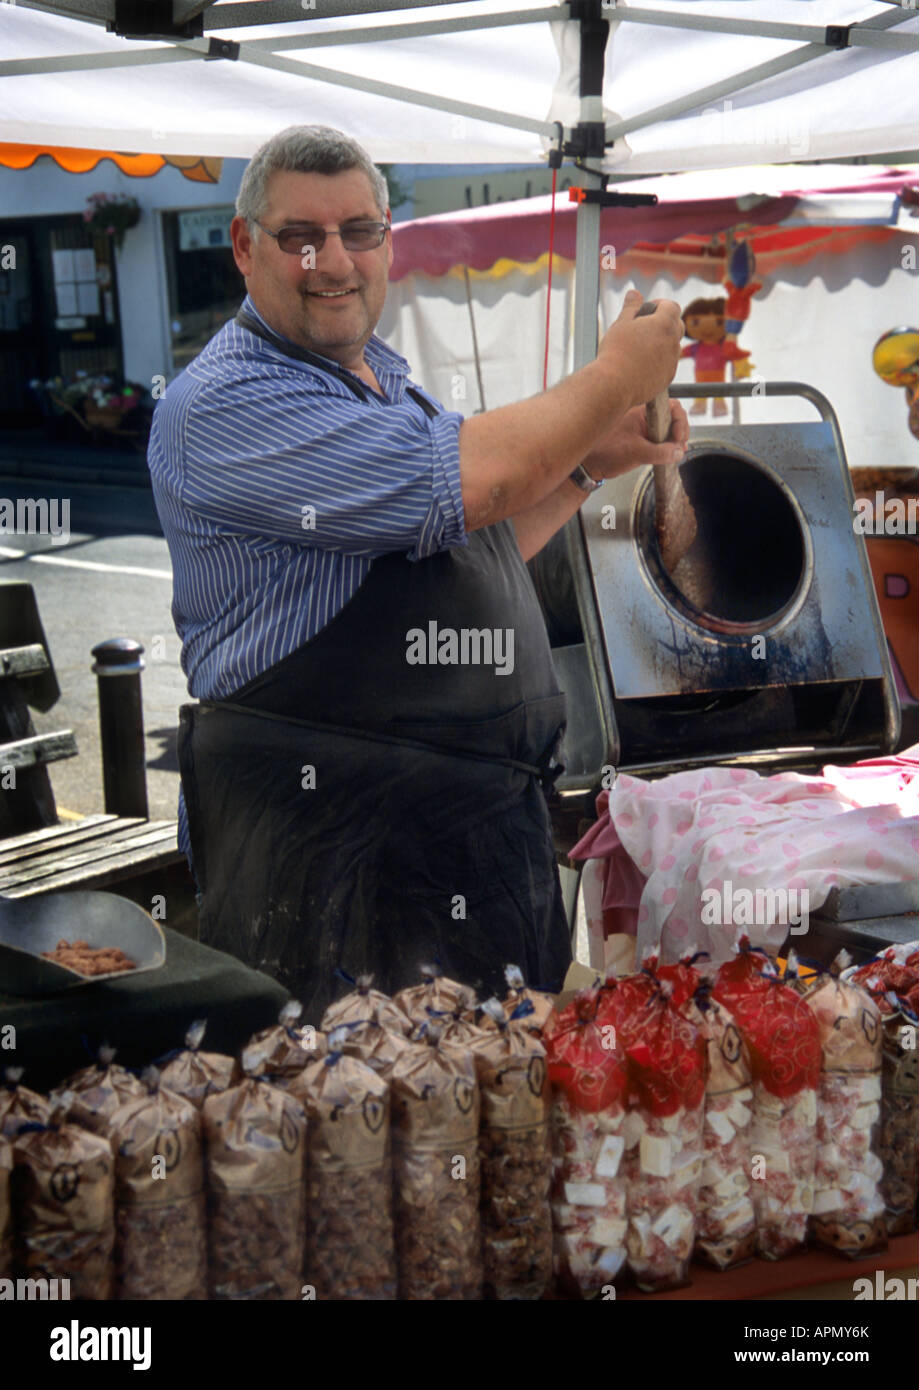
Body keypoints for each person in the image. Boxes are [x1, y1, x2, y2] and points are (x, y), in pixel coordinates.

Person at [148, 125, 688, 1019]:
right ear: (244, 248)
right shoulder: (227, 403)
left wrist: (595, 461)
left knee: (507, 1136)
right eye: (299, 236)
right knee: (364, 1139)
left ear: (387, 240)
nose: (333, 260)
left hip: (469, 847)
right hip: (331, 868)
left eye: (359, 231)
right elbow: (484, 475)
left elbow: (467, 546)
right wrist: (612, 376)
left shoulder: (387, 384)